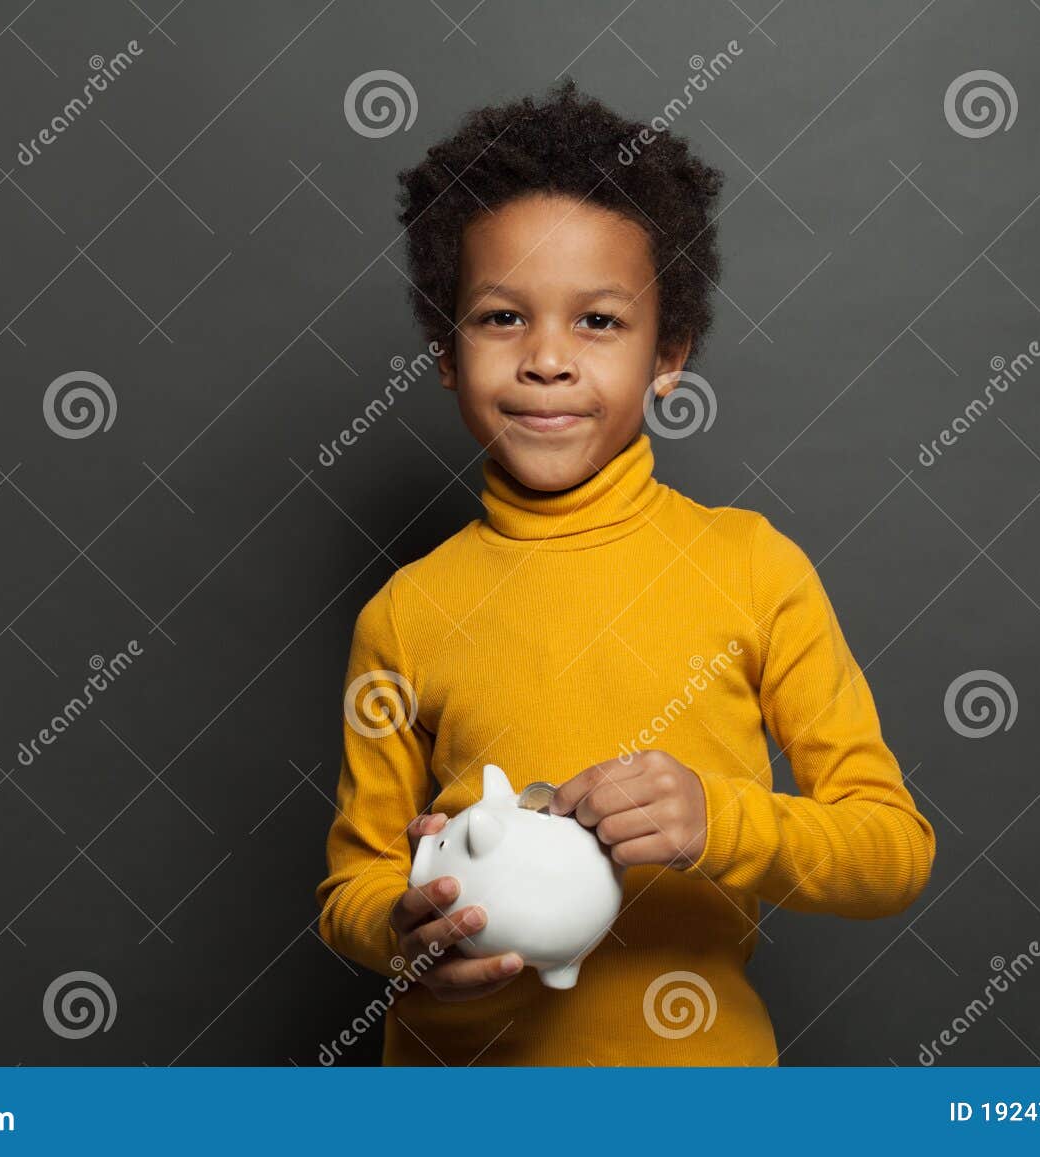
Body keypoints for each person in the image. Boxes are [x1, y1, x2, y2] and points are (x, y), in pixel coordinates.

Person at [314, 77, 935, 1065]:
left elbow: (891, 851)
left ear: (668, 353)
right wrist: (405, 920)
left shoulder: (752, 568)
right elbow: (352, 887)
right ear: (444, 350)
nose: (547, 360)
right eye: (500, 318)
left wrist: (720, 819)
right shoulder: (406, 612)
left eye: (598, 321)